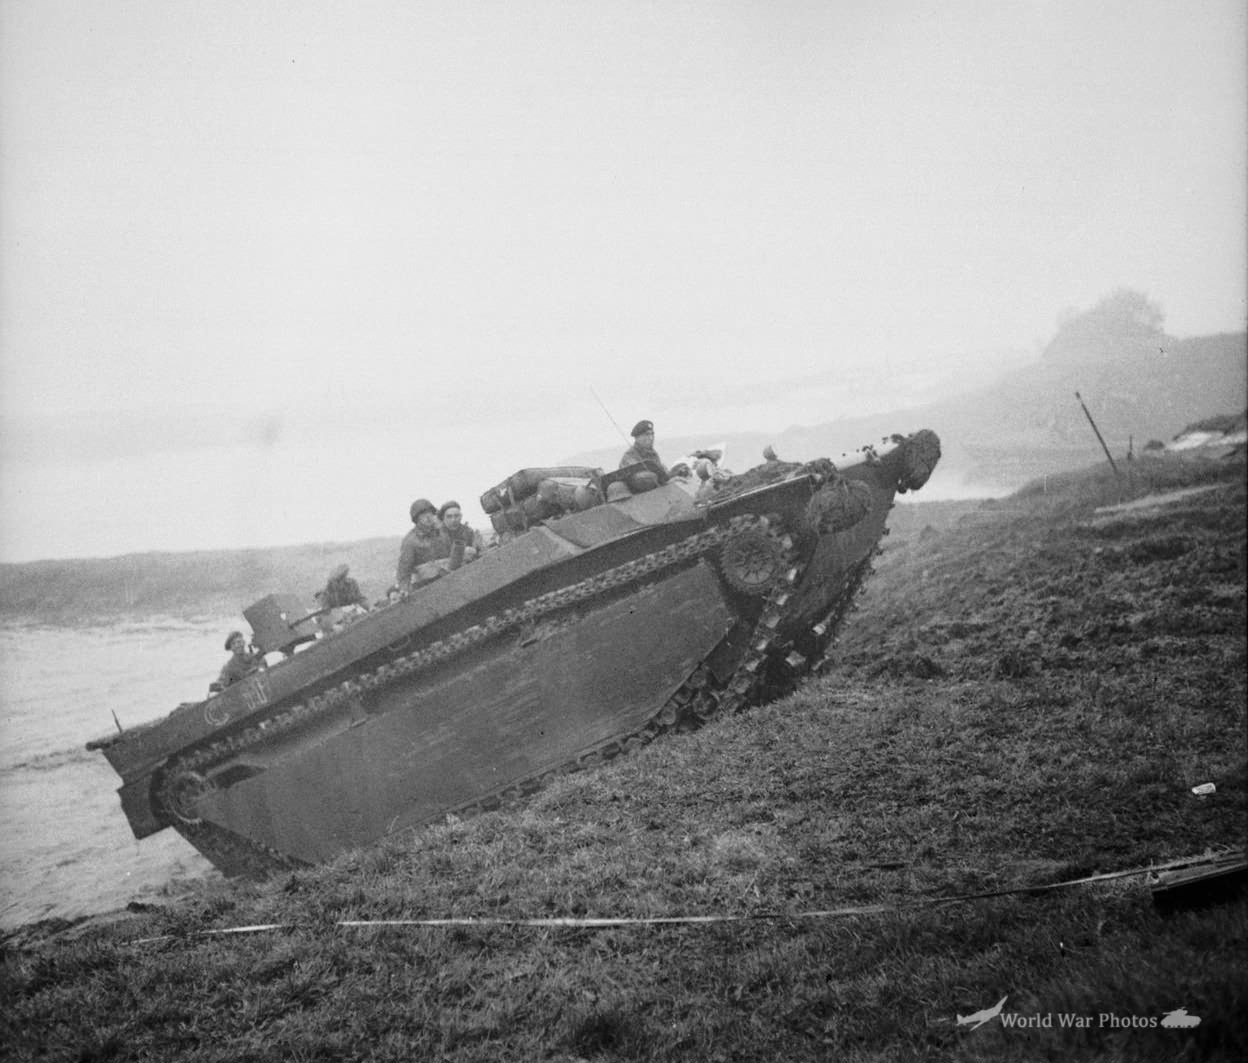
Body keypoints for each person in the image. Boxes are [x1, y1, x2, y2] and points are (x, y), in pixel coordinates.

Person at [396, 498, 451, 590]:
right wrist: (404, 589)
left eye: (430, 513)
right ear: (416, 518)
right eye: (423, 514)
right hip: (425, 586)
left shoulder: (443, 533)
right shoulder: (410, 541)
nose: (428, 517)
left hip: (448, 580)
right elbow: (404, 570)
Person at [438, 501, 485, 565]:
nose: (453, 520)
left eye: (456, 516)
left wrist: (475, 550)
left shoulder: (468, 531)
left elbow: (481, 551)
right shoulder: (437, 535)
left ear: (461, 517)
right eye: (449, 517)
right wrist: (460, 556)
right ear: (443, 518)